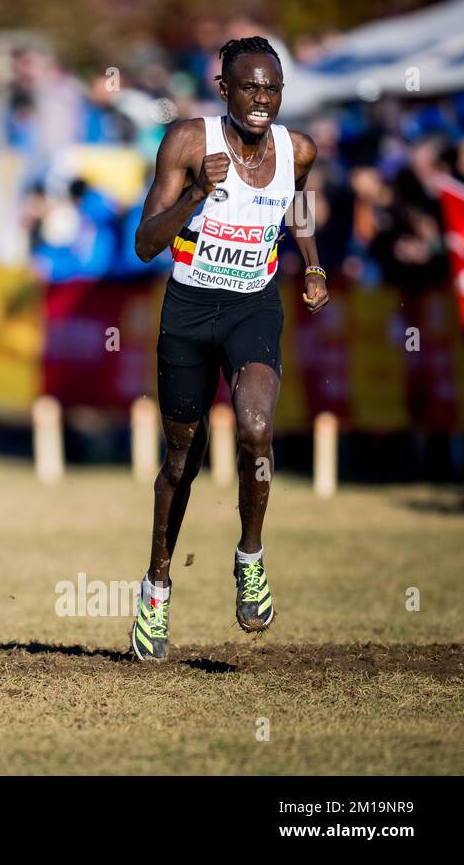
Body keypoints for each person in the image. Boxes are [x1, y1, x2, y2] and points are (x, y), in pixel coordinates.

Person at [130, 37, 329, 661]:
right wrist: (195, 195)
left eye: (271, 89)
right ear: (224, 89)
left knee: (257, 427)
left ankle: (250, 557)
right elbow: (143, 243)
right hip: (189, 310)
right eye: (249, 87)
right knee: (181, 462)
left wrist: (314, 264)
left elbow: (297, 204)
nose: (261, 99)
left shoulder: (298, 150)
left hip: (252, 306)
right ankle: (157, 587)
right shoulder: (189, 143)